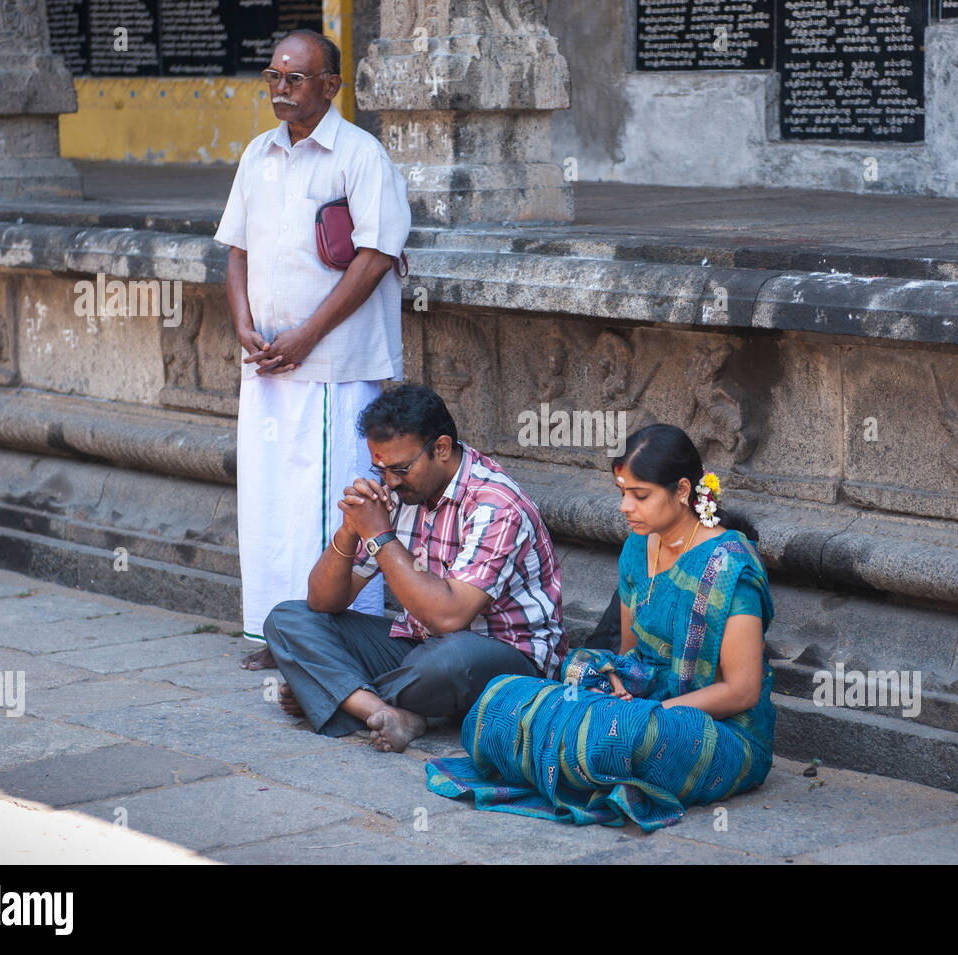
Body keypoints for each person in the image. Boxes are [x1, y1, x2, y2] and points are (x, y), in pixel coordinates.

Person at [425, 424, 775, 831]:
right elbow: (629, 656)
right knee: (499, 698)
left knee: (614, 733)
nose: (626, 507)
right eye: (622, 493)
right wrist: (612, 674)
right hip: (638, 704)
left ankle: (582, 751)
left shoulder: (731, 566)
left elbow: (743, 689)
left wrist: (653, 710)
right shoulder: (638, 546)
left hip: (714, 726)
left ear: (682, 491)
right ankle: (587, 752)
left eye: (640, 495)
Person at [213, 29, 410, 666]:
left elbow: (377, 256)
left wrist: (307, 335)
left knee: (327, 501)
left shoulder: (360, 155)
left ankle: (332, 636)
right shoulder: (257, 155)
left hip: (334, 365)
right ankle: (275, 629)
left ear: (330, 85)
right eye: (273, 77)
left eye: (295, 79)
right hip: (268, 361)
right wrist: (244, 322)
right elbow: (236, 250)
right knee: (270, 500)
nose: (280, 90)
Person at [264, 384, 566, 753]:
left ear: (440, 448)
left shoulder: (495, 505)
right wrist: (350, 530)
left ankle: (337, 692)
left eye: (400, 468)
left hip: (501, 656)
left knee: (449, 662)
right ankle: (379, 709)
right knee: (287, 618)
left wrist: (377, 534)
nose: (389, 481)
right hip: (419, 645)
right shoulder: (401, 493)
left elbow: (448, 618)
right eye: (380, 469)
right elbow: (324, 601)